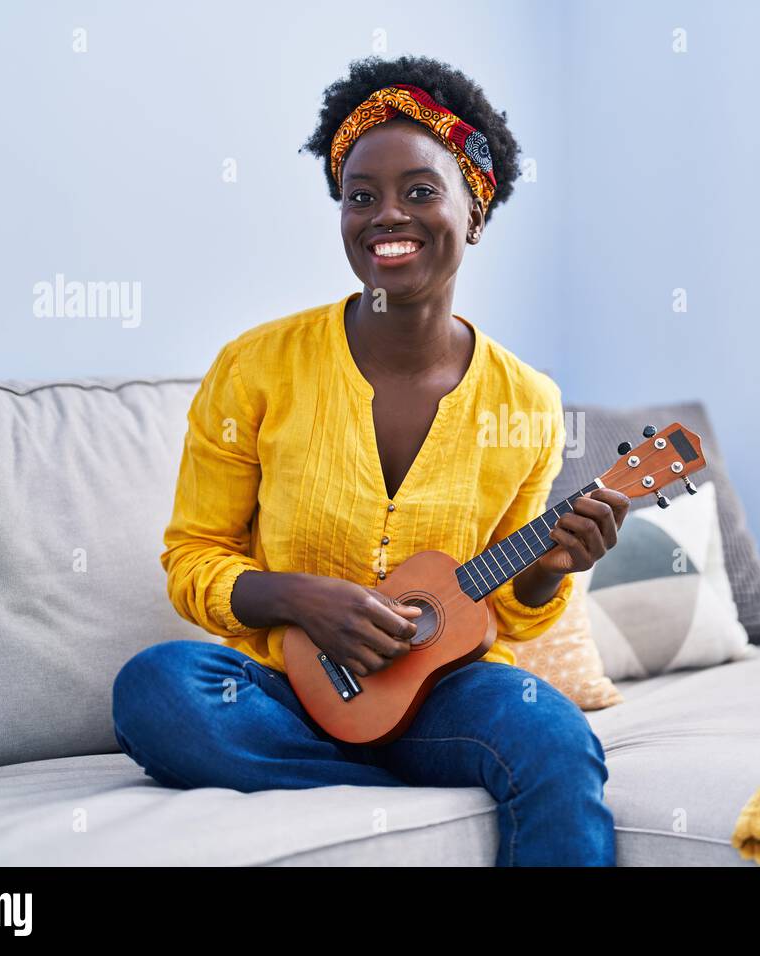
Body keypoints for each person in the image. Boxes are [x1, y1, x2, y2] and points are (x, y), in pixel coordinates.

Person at [111, 54, 630, 867]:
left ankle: (385, 769)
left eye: (421, 191)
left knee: (551, 731)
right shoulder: (256, 366)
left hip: (443, 694)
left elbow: (517, 611)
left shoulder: (527, 401)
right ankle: (387, 783)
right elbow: (192, 560)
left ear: (476, 211)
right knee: (158, 690)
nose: (388, 215)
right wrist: (300, 600)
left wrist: (549, 567)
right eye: (362, 196)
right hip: (283, 690)